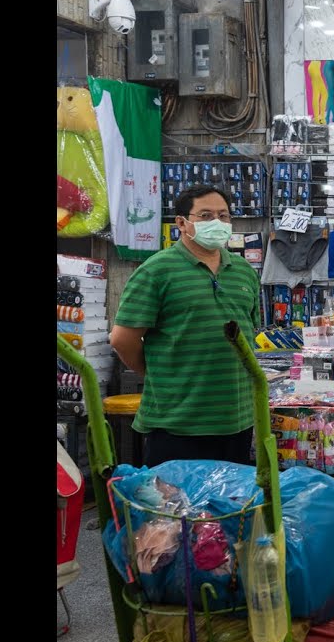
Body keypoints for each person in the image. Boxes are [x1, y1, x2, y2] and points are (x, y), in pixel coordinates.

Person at [110, 185, 262, 467]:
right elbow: (122, 339)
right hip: (177, 423)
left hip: (237, 420)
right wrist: (157, 373)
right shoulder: (156, 270)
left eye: (223, 216)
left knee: (229, 507)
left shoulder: (243, 272)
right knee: (176, 509)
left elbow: (249, 336)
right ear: (181, 222)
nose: (216, 223)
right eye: (205, 215)